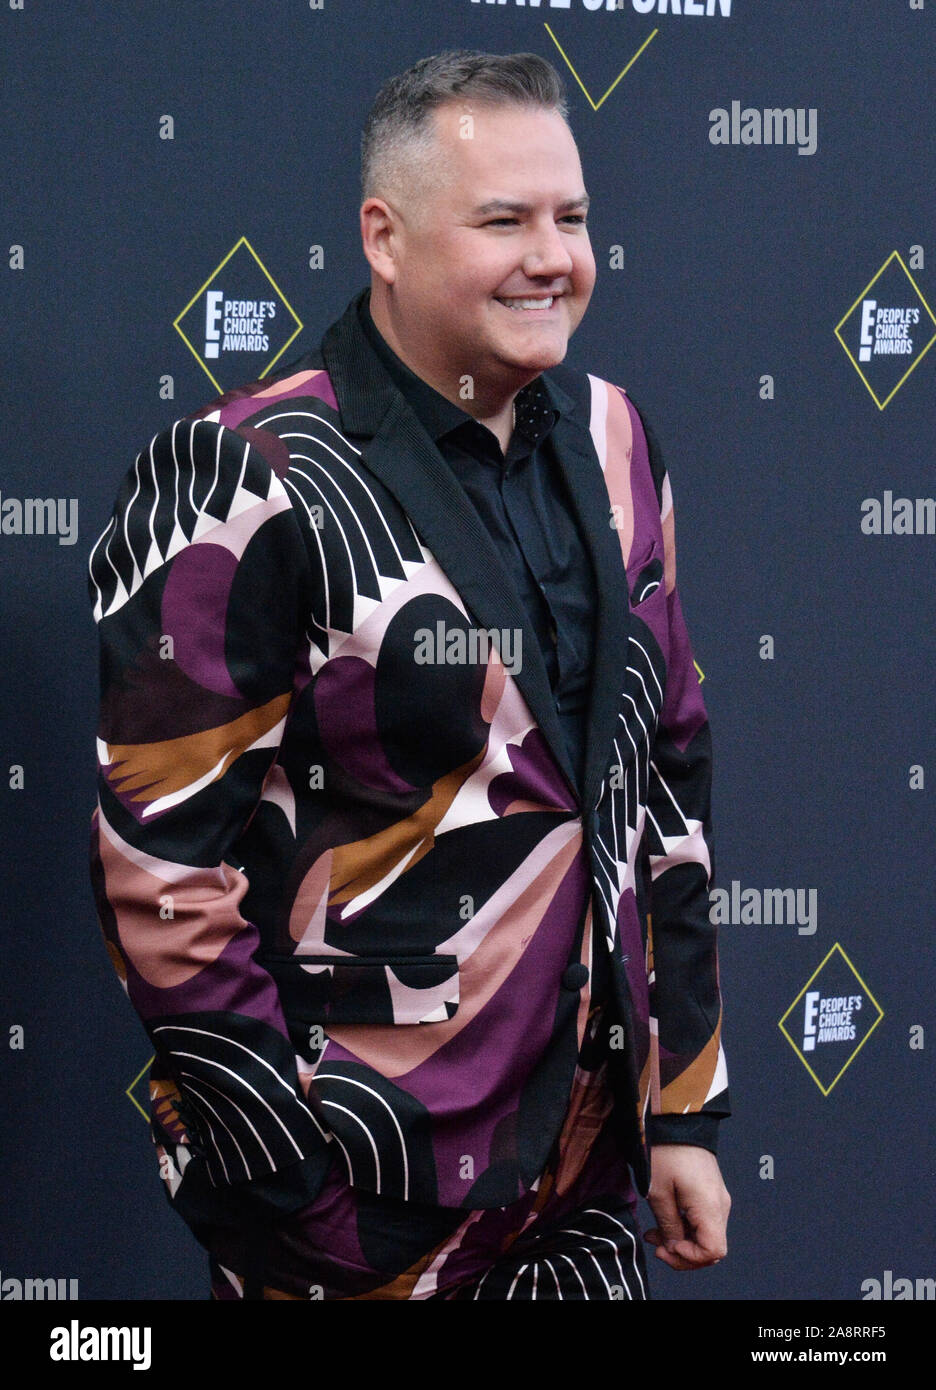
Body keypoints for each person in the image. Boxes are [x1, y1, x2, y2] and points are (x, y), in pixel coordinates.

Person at [87, 49, 730, 1301]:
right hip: (363, 1199)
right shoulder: (249, 472)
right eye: (505, 220)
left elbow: (667, 777)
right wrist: (292, 1195)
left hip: (589, 1186)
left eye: (573, 217)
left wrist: (685, 1111)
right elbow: (160, 873)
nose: (555, 256)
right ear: (384, 236)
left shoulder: (617, 439)